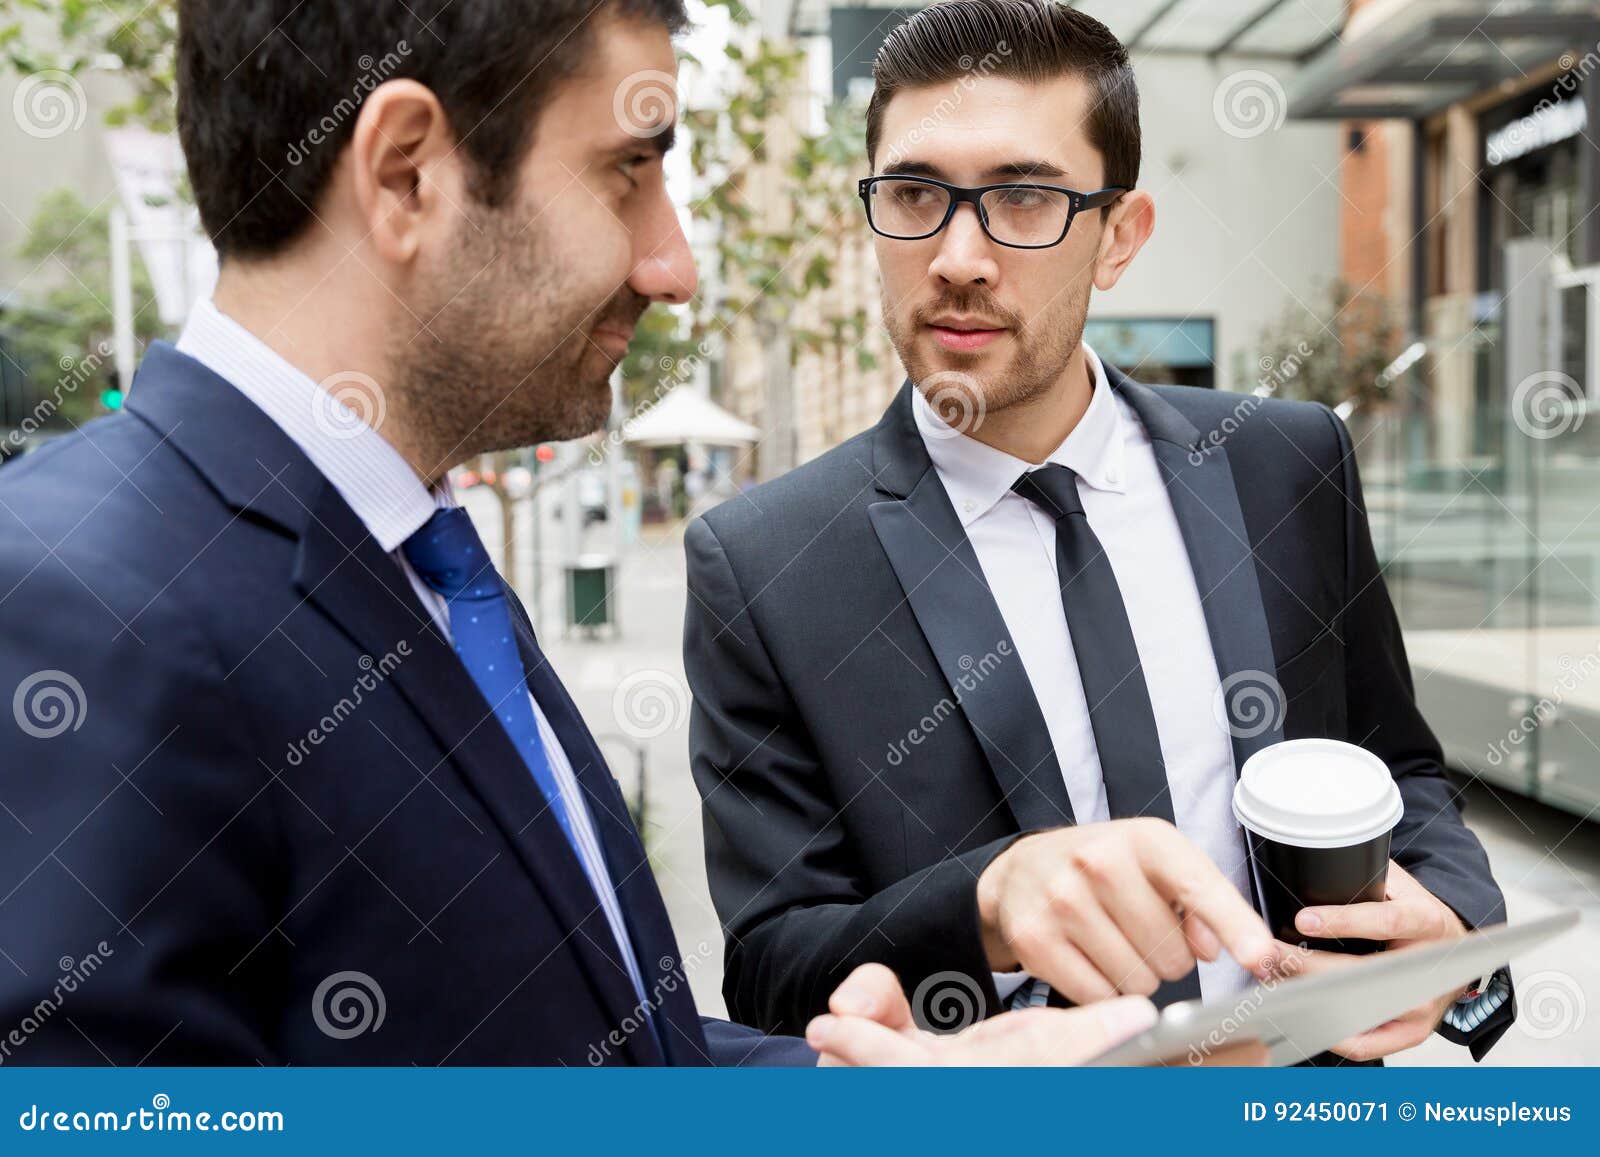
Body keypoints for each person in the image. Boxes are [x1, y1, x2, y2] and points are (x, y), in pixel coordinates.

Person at [0, 0, 1169, 1068]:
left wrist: (884, 1093)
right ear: (407, 174)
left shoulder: (418, 554)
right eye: (627, 176)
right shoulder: (79, 601)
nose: (676, 267)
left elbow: (600, 1041)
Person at [683, 0, 1515, 1063]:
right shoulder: (764, 564)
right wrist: (981, 905)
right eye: (913, 194)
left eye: (1023, 198)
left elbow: (1396, 769)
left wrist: (1450, 922)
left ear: (1118, 235)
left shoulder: (1284, 464)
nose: (957, 255)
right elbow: (767, 966)